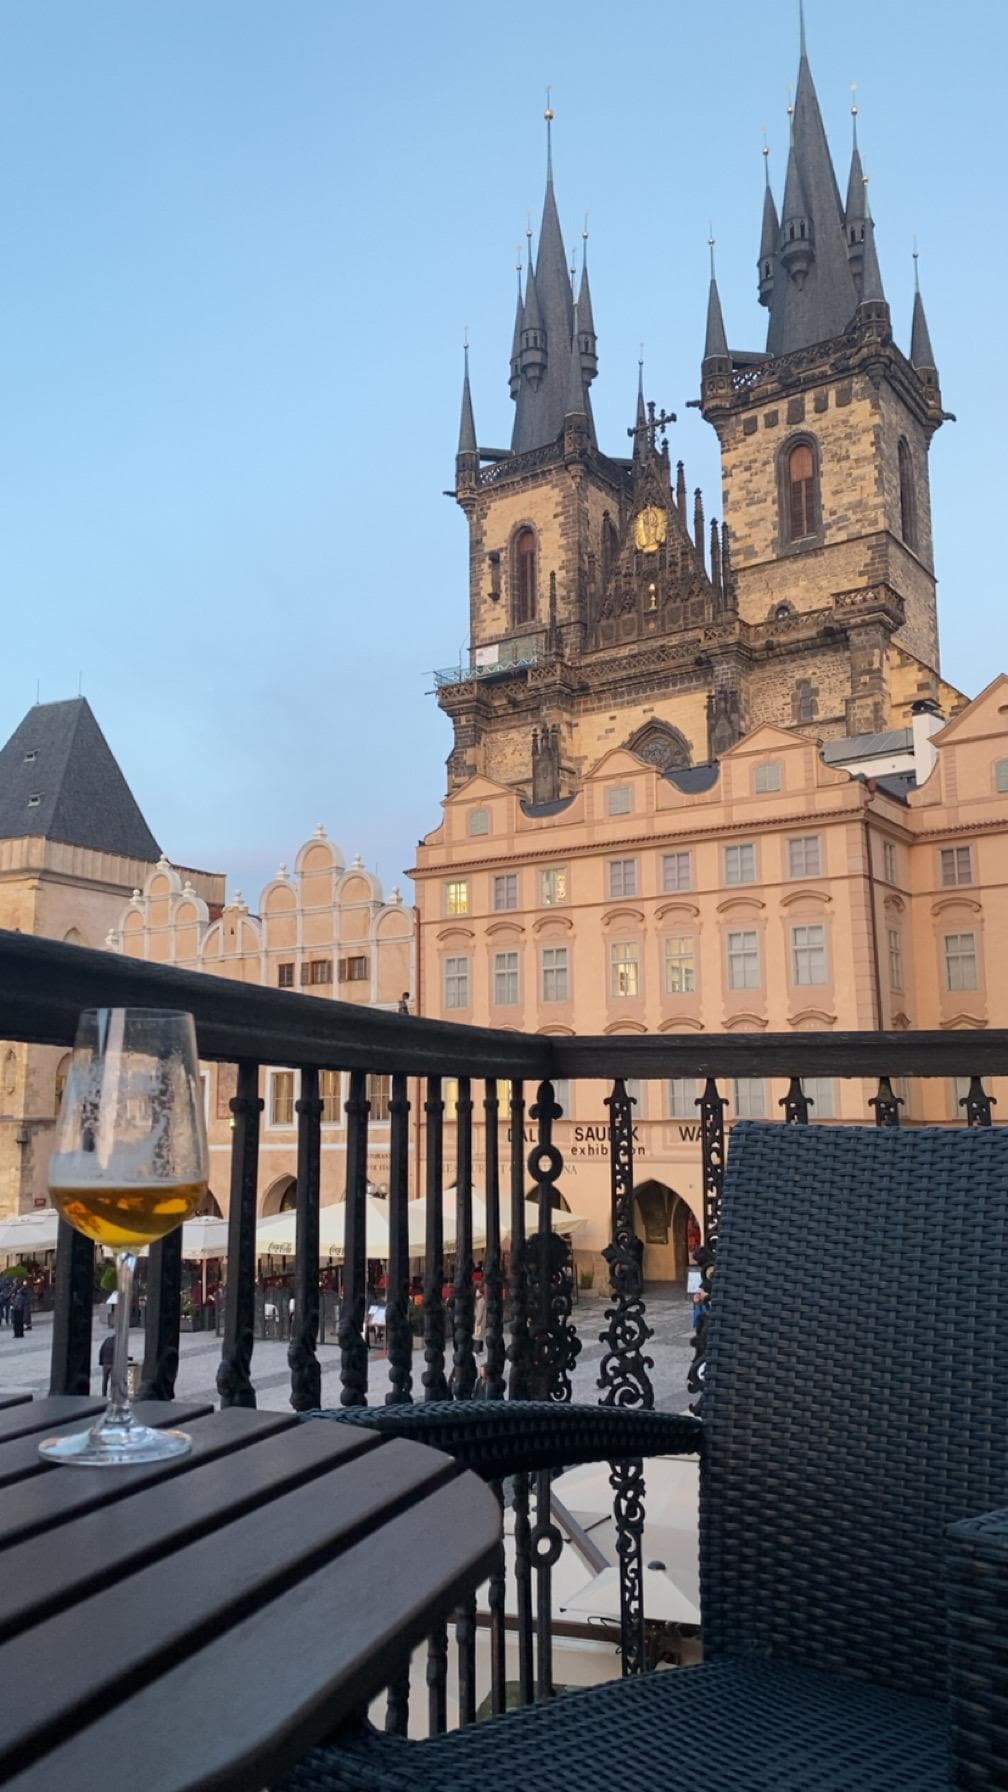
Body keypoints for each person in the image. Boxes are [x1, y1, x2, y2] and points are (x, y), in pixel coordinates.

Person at [98, 1331, 115, 1396]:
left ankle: (104, 1394)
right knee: (113, 1380)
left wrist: (101, 1361)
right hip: (113, 1364)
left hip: (105, 1363)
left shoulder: (107, 1340)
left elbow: (101, 1351)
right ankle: (112, 1394)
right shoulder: (117, 1343)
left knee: (105, 1380)